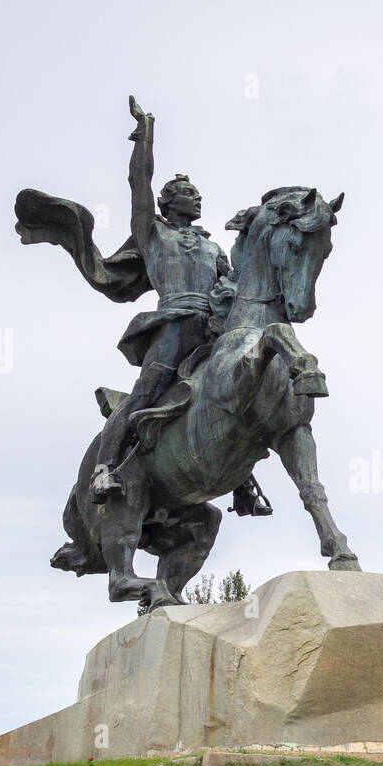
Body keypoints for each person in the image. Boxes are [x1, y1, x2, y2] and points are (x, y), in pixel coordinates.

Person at [90, 97, 232, 501]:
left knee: (240, 388)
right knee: (144, 395)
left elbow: (232, 288)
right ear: (168, 202)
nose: (198, 198)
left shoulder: (213, 248)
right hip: (172, 328)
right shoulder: (154, 235)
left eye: (200, 194)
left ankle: (242, 476)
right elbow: (139, 185)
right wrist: (144, 137)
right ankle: (104, 469)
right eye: (190, 193)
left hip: (212, 332)